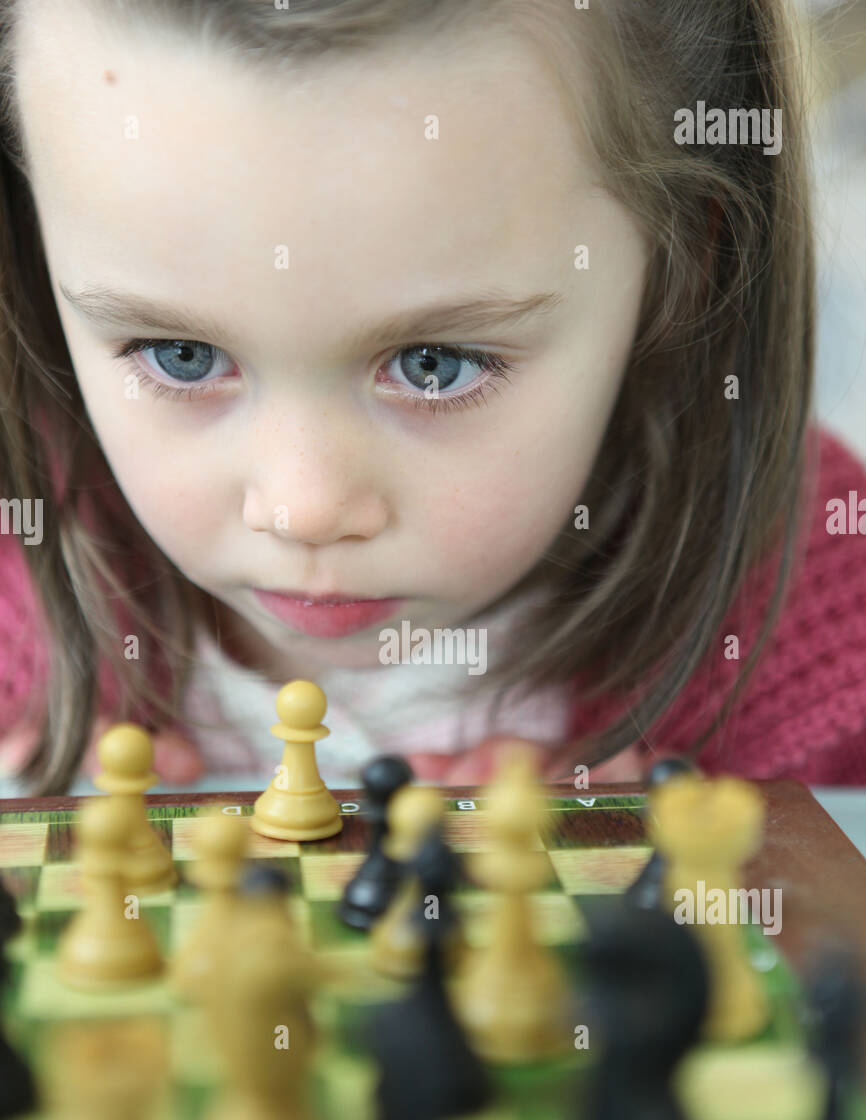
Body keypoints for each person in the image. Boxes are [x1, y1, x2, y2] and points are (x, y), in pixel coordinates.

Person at [0, 0, 863, 794]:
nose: (305, 511)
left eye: (433, 364)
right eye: (179, 356)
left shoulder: (830, 655)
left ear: (680, 269)